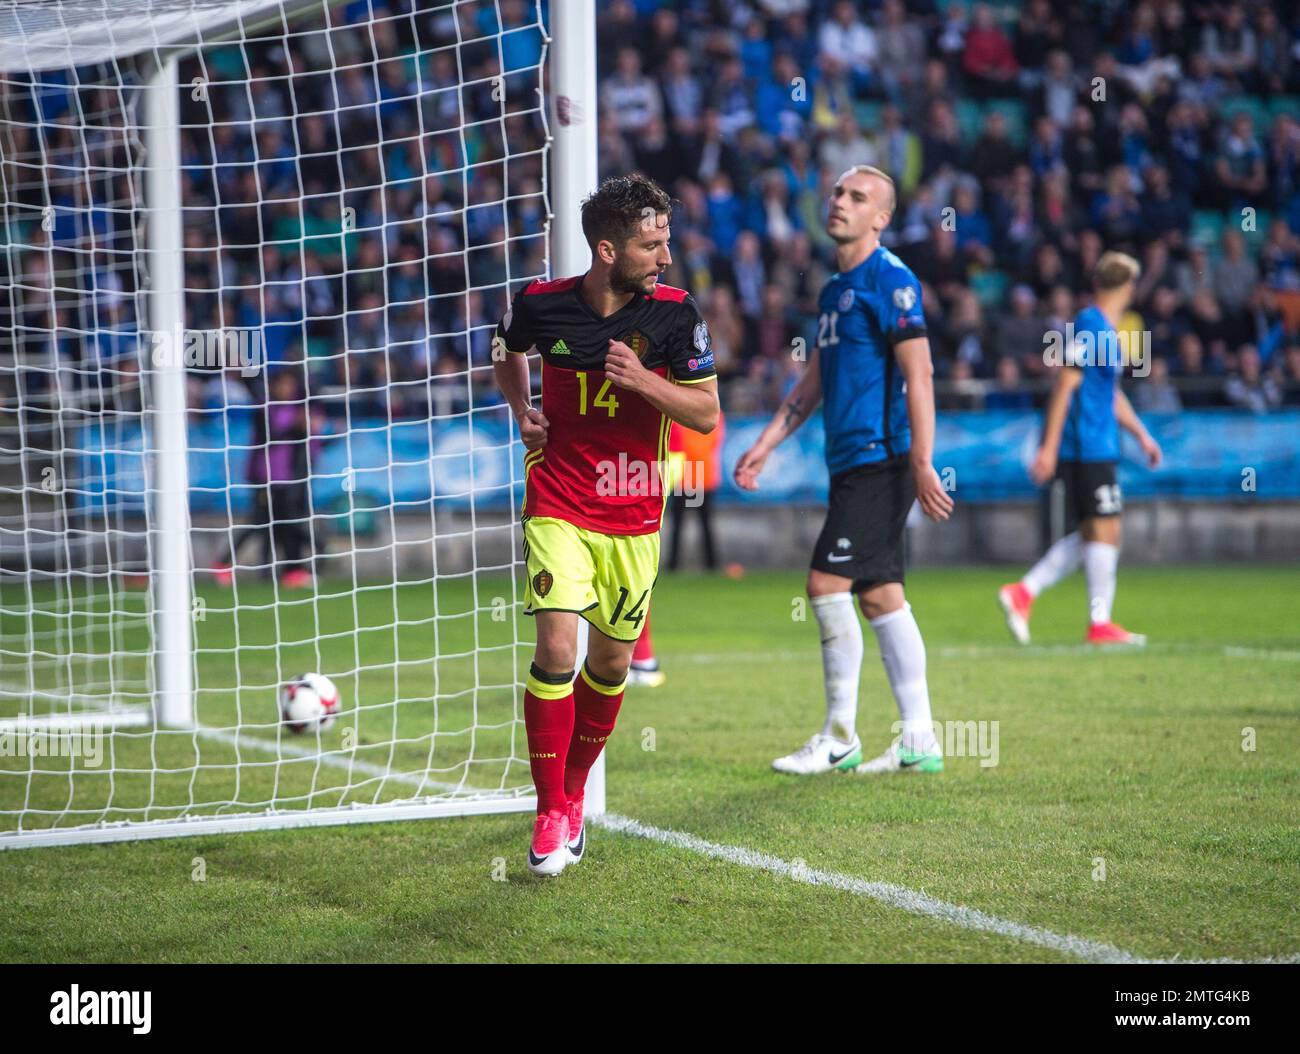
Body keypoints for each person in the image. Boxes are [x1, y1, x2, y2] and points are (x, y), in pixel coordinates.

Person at [492, 174, 719, 875]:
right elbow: (507, 350)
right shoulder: (541, 303)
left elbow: (708, 415)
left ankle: (572, 789)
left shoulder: (677, 317)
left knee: (611, 663)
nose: (667, 258)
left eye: (667, 242)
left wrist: (644, 380)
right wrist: (520, 409)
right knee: (557, 647)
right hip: (558, 499)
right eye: (652, 246)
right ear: (606, 249)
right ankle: (549, 811)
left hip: (634, 512)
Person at [735, 165, 953, 777]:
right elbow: (815, 382)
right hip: (852, 459)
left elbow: (921, 374)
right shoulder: (834, 292)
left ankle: (839, 737)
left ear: (881, 218)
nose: (840, 203)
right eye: (837, 192)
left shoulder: (893, 280)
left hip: (882, 458)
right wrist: (770, 440)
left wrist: (921, 460)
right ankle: (919, 740)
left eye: (858, 197)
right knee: (881, 597)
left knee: (825, 586)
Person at [998, 252, 1163, 646]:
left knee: (1097, 532)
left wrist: (1141, 434)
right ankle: (1096, 621)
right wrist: (1049, 447)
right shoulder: (1092, 326)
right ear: (1128, 287)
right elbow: (1065, 383)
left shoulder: (1101, 328)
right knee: (1106, 530)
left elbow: (1107, 394)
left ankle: (1026, 593)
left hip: (1097, 444)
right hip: (1087, 447)